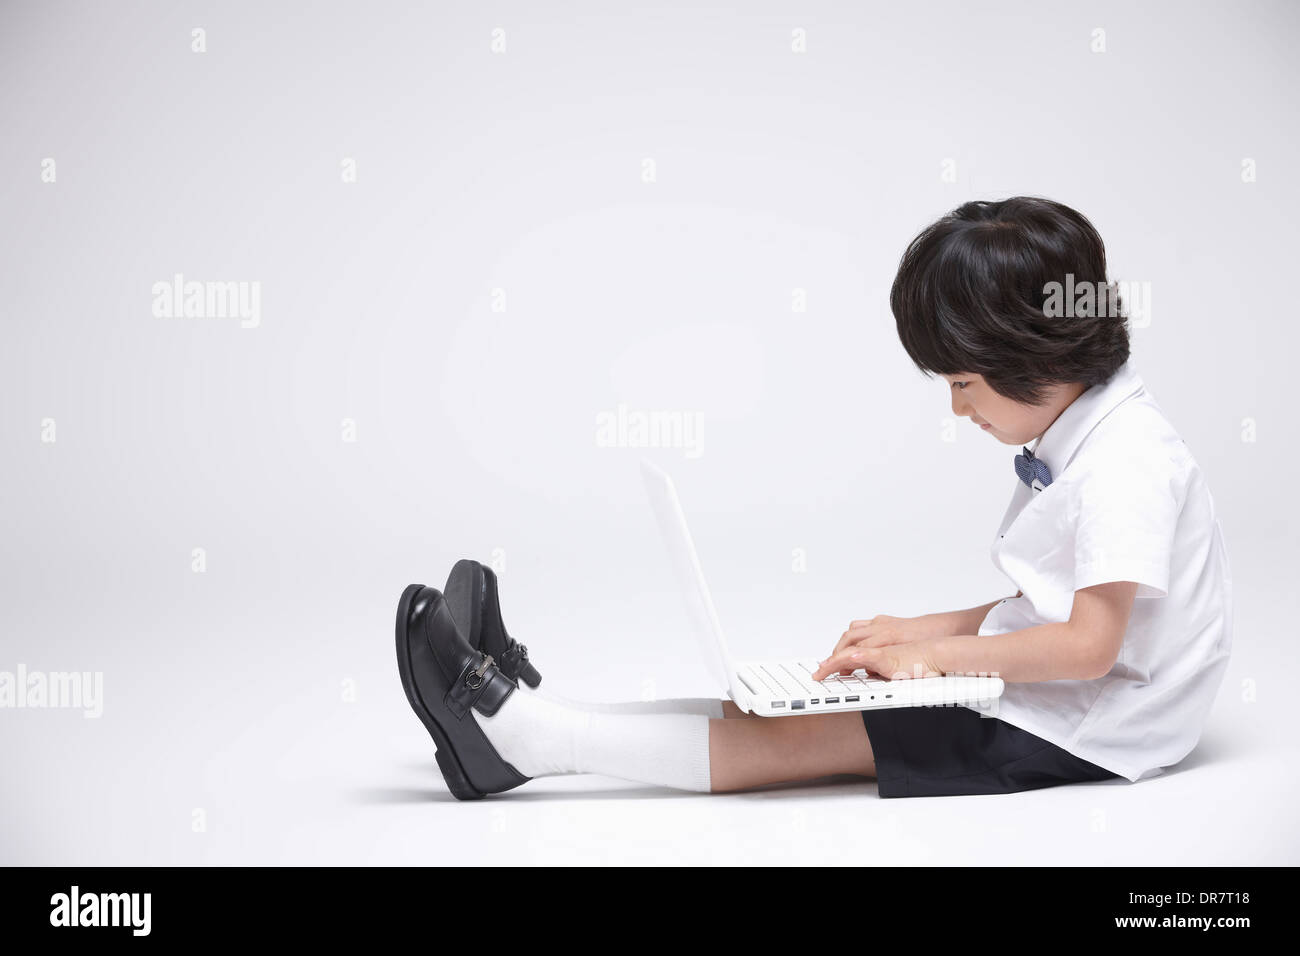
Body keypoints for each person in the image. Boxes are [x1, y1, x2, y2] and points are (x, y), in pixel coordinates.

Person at [396, 197, 1232, 800]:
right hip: (1059, 693)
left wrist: (935, 662)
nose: (956, 407)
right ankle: (545, 714)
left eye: (964, 382)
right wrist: (926, 630)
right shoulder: (1088, 426)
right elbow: (1051, 603)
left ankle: (528, 744)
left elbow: (1089, 645)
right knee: (765, 700)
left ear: (1035, 355)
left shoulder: (1127, 460)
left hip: (1089, 727)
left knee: (797, 735)